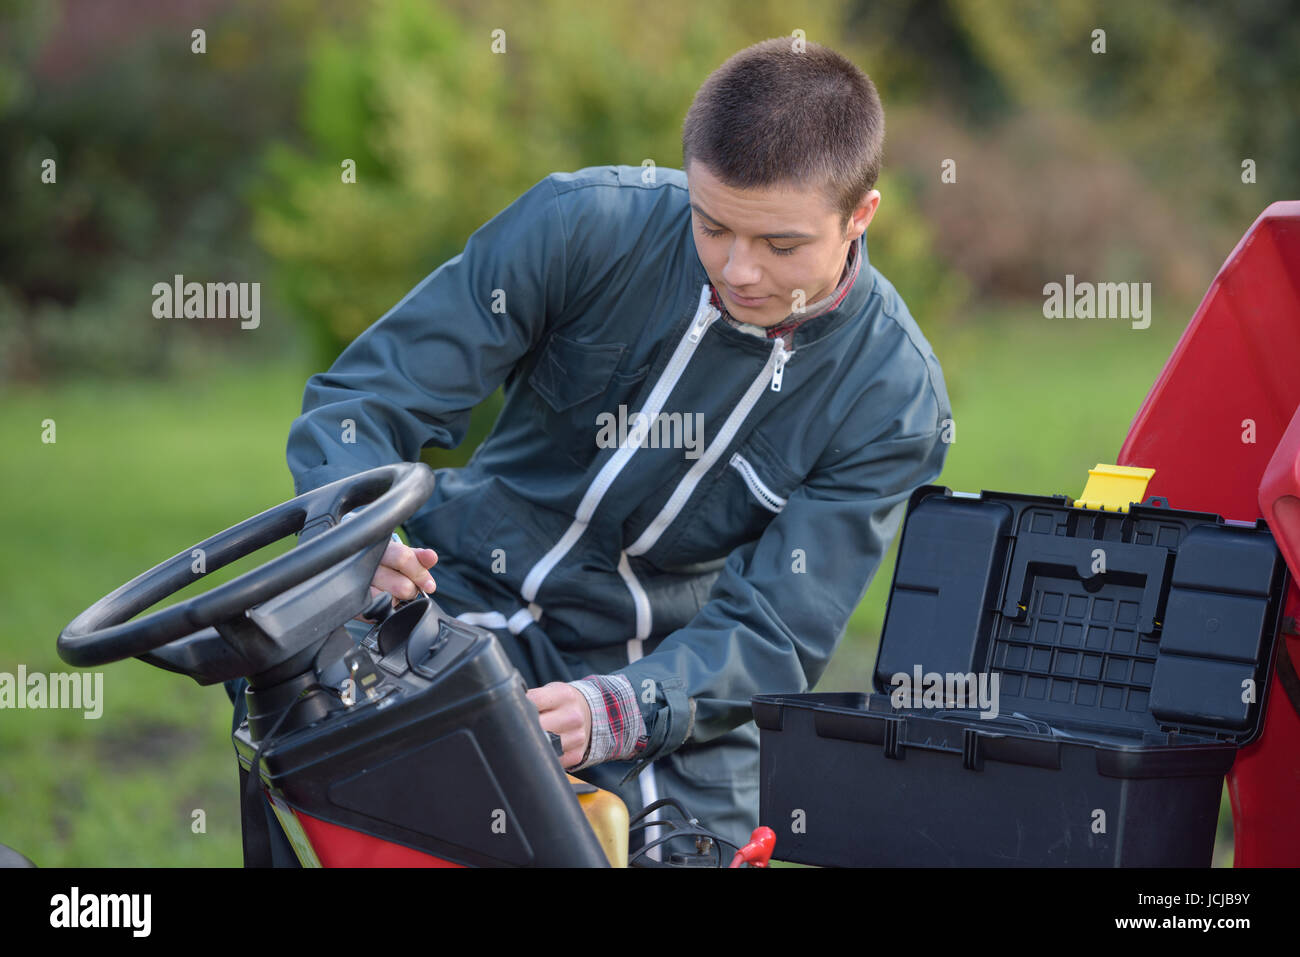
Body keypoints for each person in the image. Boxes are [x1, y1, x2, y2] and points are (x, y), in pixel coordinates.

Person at [280, 36, 953, 858]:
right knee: (409, 819)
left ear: (860, 216)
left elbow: (776, 626)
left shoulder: (894, 396)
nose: (740, 270)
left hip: (673, 668)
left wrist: (622, 707)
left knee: (693, 853)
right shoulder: (579, 225)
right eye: (712, 226)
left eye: (781, 246)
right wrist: (356, 529)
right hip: (458, 590)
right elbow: (362, 402)